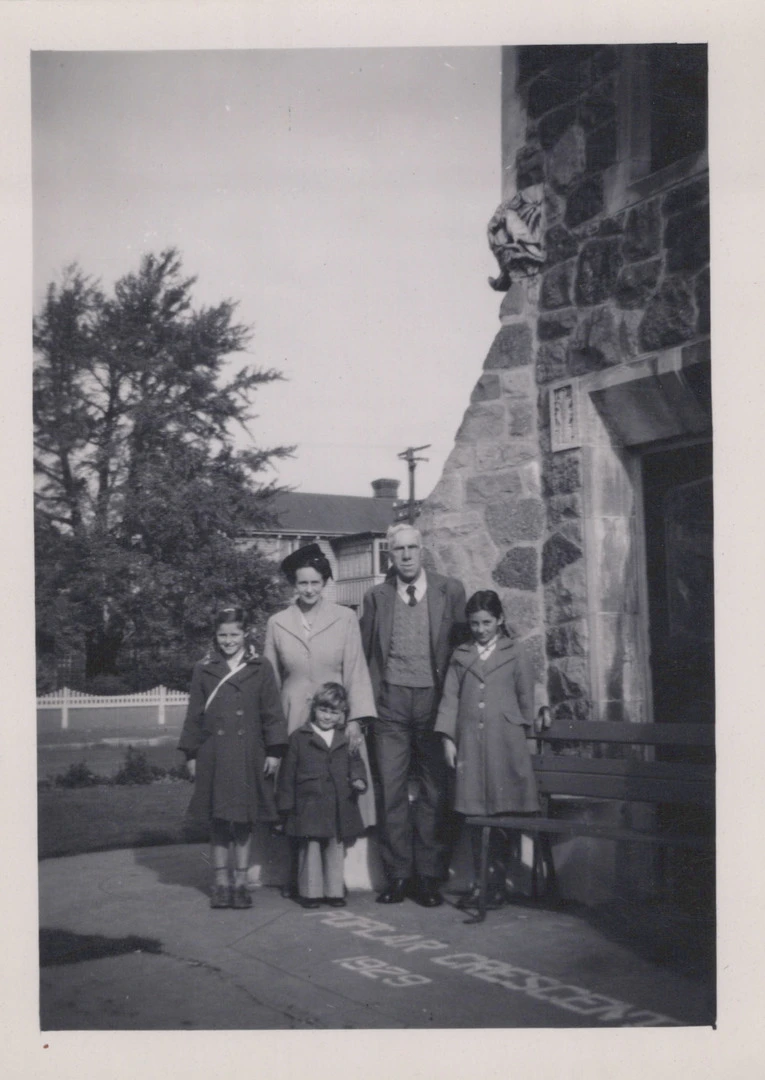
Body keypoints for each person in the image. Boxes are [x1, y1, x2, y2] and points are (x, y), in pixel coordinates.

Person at [360, 523, 466, 907]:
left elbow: (461, 651)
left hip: (433, 704)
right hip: (389, 704)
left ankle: (429, 876)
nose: (405, 555)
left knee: (434, 791)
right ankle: (399, 875)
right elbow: (366, 654)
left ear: (423, 551)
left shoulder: (449, 590)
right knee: (391, 789)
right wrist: (367, 705)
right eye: (397, 550)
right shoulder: (376, 597)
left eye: (411, 548)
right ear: (389, 555)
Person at [264, 543, 377, 894]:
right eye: (302, 584)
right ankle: (299, 879)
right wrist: (271, 730)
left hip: (336, 716)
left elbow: (355, 669)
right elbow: (269, 680)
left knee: (336, 790)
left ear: (325, 582)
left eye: (315, 583)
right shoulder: (278, 622)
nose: (309, 590)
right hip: (294, 714)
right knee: (297, 792)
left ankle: (334, 879)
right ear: (293, 585)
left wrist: (356, 719)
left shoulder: (344, 618)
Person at [434, 589, 539, 909]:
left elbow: (526, 697)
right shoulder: (460, 654)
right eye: (475, 623)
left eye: (487, 622)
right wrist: (447, 739)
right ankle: (480, 883)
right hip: (470, 746)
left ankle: (498, 883)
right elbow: (450, 700)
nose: (480, 629)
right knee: (474, 814)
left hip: (505, 745)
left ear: (500, 620)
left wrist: (529, 739)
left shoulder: (515, 652)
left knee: (502, 814)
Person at [178, 606, 288, 909]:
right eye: (222, 634)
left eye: (234, 634)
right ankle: (220, 884)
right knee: (217, 822)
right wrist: (191, 754)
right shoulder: (205, 667)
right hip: (213, 754)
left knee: (243, 822)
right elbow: (194, 714)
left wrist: (275, 751)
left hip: (249, 753)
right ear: (215, 635)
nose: (228, 640)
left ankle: (241, 883)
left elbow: (272, 713)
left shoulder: (260, 666)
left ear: (246, 633)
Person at [276, 683, 368, 909]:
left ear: (342, 714)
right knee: (311, 849)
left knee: (335, 850)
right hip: (308, 803)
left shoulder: (345, 736)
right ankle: (310, 893)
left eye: (333, 712)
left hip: (338, 802)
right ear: (314, 709)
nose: (327, 717)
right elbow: (288, 773)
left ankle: (334, 891)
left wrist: (358, 779)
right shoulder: (300, 737)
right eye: (323, 710)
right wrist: (285, 805)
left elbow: (356, 761)